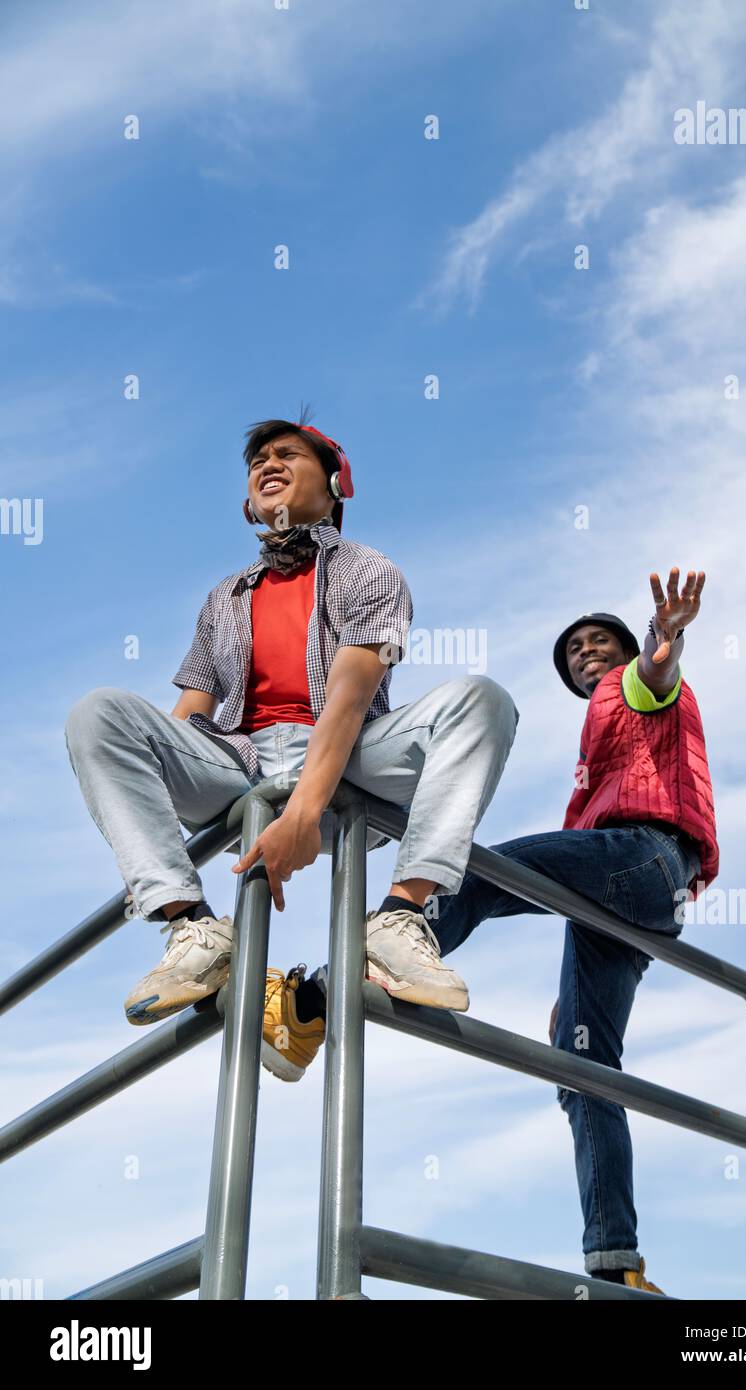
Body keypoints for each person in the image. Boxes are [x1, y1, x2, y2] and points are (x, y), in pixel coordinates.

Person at [284, 568, 718, 1294]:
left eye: (598, 641)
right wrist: (577, 989)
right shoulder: (603, 737)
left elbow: (656, 673)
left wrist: (663, 637)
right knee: (584, 1070)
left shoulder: (630, 690)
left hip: (646, 857)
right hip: (633, 903)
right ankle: (619, 1265)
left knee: (476, 869)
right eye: (577, 647)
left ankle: (338, 981)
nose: (588, 652)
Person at [64, 409, 519, 1082]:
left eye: (287, 455)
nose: (267, 465)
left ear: (336, 485)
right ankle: (192, 927)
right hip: (242, 763)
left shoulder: (368, 569)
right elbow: (189, 712)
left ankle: (398, 919)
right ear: (248, 498)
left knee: (484, 701)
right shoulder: (225, 598)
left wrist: (304, 811)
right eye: (257, 463)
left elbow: (353, 692)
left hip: (350, 757)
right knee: (98, 714)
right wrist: (157, 801)